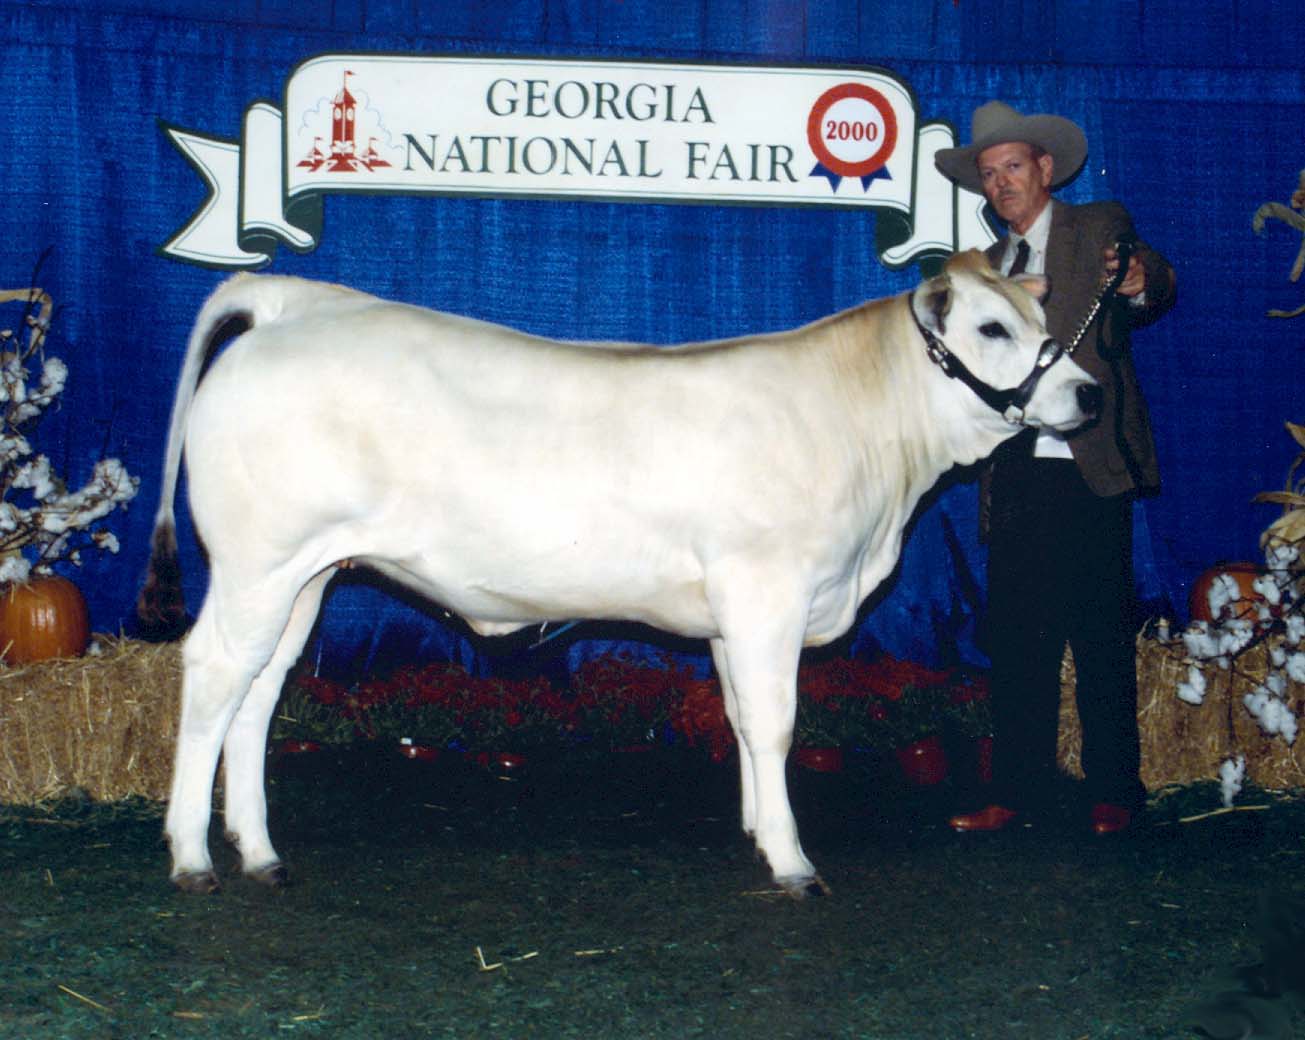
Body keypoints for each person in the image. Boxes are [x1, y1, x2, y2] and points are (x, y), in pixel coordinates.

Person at [934, 101, 1176, 835]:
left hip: (1086, 467)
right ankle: (1016, 790)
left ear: (1044, 168)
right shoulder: (981, 267)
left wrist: (1137, 280)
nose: (1001, 182)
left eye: (1012, 166)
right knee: (1015, 638)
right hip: (1012, 473)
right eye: (988, 173)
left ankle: (1114, 791)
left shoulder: (1094, 228)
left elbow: (1148, 276)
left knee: (1099, 633)